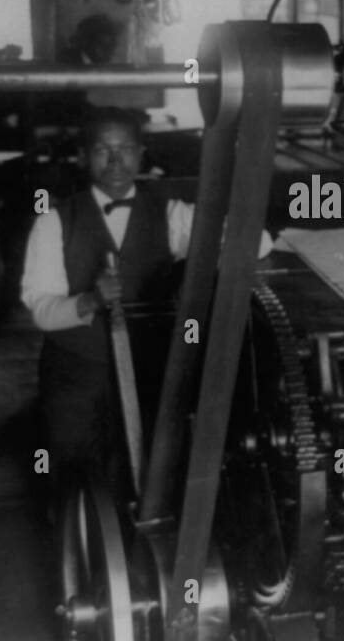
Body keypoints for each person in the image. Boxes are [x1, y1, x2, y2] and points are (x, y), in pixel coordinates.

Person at [21, 106, 272, 500]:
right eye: (104, 150)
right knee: (73, 479)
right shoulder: (54, 220)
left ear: (141, 155)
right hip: (76, 375)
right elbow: (40, 308)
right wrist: (88, 300)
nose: (117, 161)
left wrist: (211, 263)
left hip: (146, 369)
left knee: (147, 476)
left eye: (126, 149)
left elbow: (255, 241)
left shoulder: (169, 215)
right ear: (84, 157)